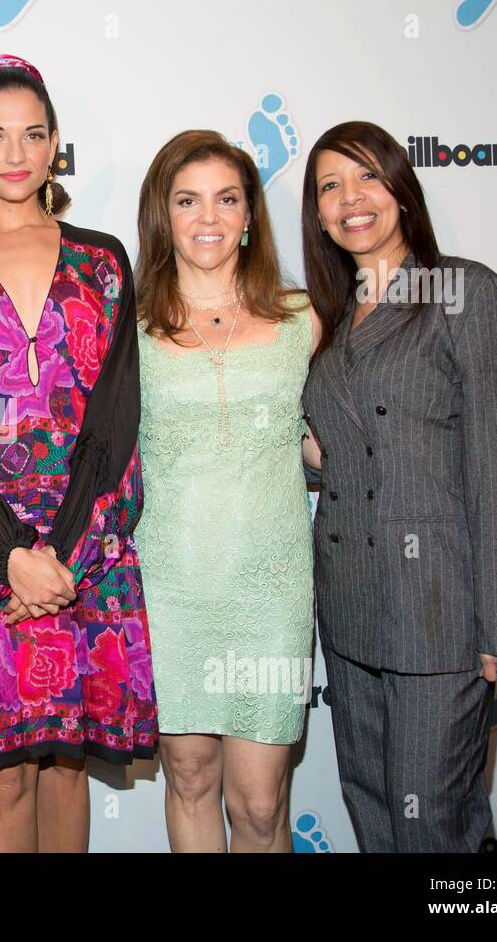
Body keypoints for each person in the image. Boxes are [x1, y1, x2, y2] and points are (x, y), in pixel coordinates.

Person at [0, 54, 156, 853]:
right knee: (3, 777)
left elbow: (115, 423)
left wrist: (64, 557)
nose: (15, 152)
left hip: (86, 549)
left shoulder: (105, 260)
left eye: (33, 134)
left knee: (65, 768)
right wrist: (8, 556)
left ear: (55, 148)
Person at [299, 120, 497, 852]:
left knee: (432, 822)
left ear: (403, 189)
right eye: (330, 187)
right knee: (372, 810)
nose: (351, 199)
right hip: (350, 607)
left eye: (367, 176)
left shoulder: (466, 293)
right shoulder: (330, 323)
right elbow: (352, 453)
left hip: (441, 612)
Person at [133, 130, 321, 852]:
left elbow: (333, 441)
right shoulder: (130, 326)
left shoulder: (302, 318)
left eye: (226, 198)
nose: (207, 216)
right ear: (164, 216)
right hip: (169, 586)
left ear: (249, 215)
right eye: (188, 200)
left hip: (270, 589)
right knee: (188, 776)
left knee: (263, 805)